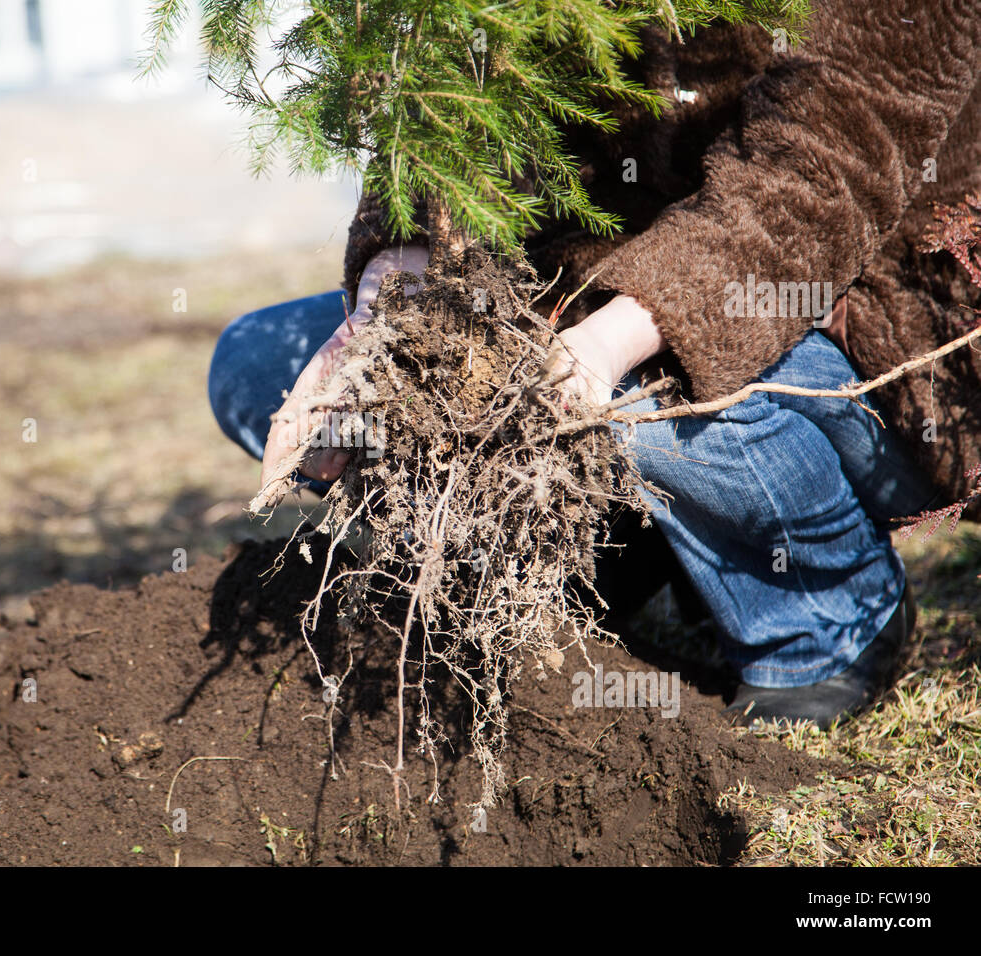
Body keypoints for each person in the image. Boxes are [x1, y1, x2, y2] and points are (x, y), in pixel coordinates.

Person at [208, 1, 981, 728]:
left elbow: (825, 170)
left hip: (871, 323)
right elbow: (462, 111)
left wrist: (603, 344)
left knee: (643, 402)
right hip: (591, 283)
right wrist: (379, 321)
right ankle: (618, 546)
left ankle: (823, 617)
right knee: (256, 367)